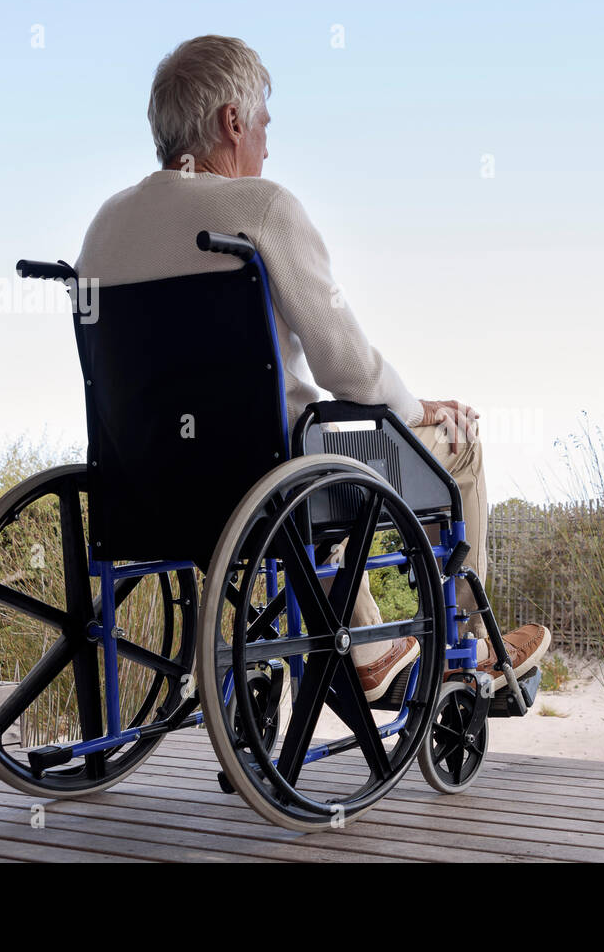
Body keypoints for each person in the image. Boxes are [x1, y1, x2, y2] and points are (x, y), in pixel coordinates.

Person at [75, 34, 549, 702]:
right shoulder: (259, 208)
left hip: (146, 487)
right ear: (231, 121)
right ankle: (469, 641)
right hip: (276, 475)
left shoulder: (103, 229)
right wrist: (422, 410)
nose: (266, 144)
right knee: (453, 447)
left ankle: (374, 649)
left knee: (302, 474)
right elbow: (347, 369)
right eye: (263, 123)